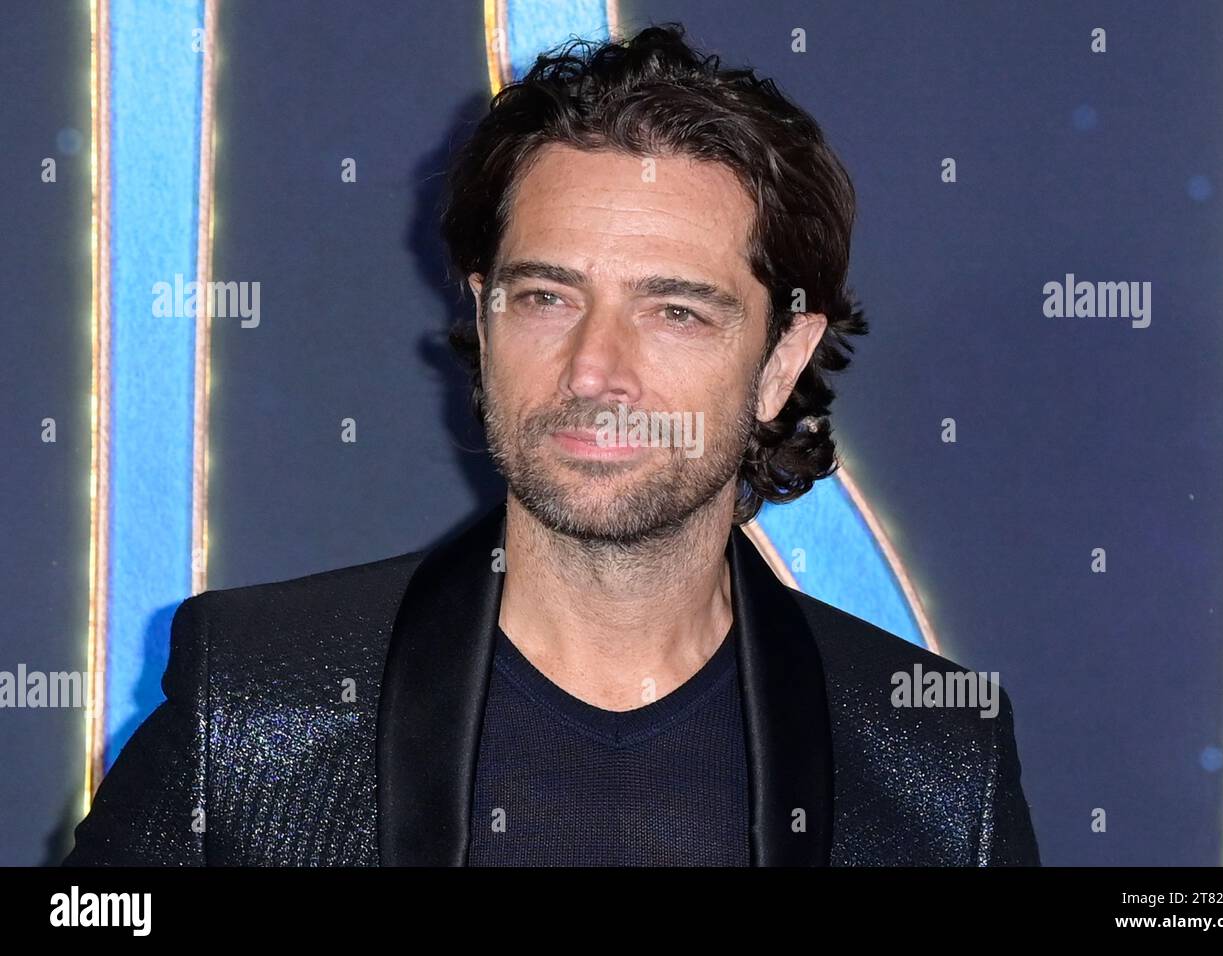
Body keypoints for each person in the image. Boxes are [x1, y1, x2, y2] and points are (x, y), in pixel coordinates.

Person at [64, 23, 1039, 866]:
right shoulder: (255, 702)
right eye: (546, 298)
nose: (591, 368)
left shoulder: (934, 761)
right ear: (484, 321)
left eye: (674, 311)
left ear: (781, 360)